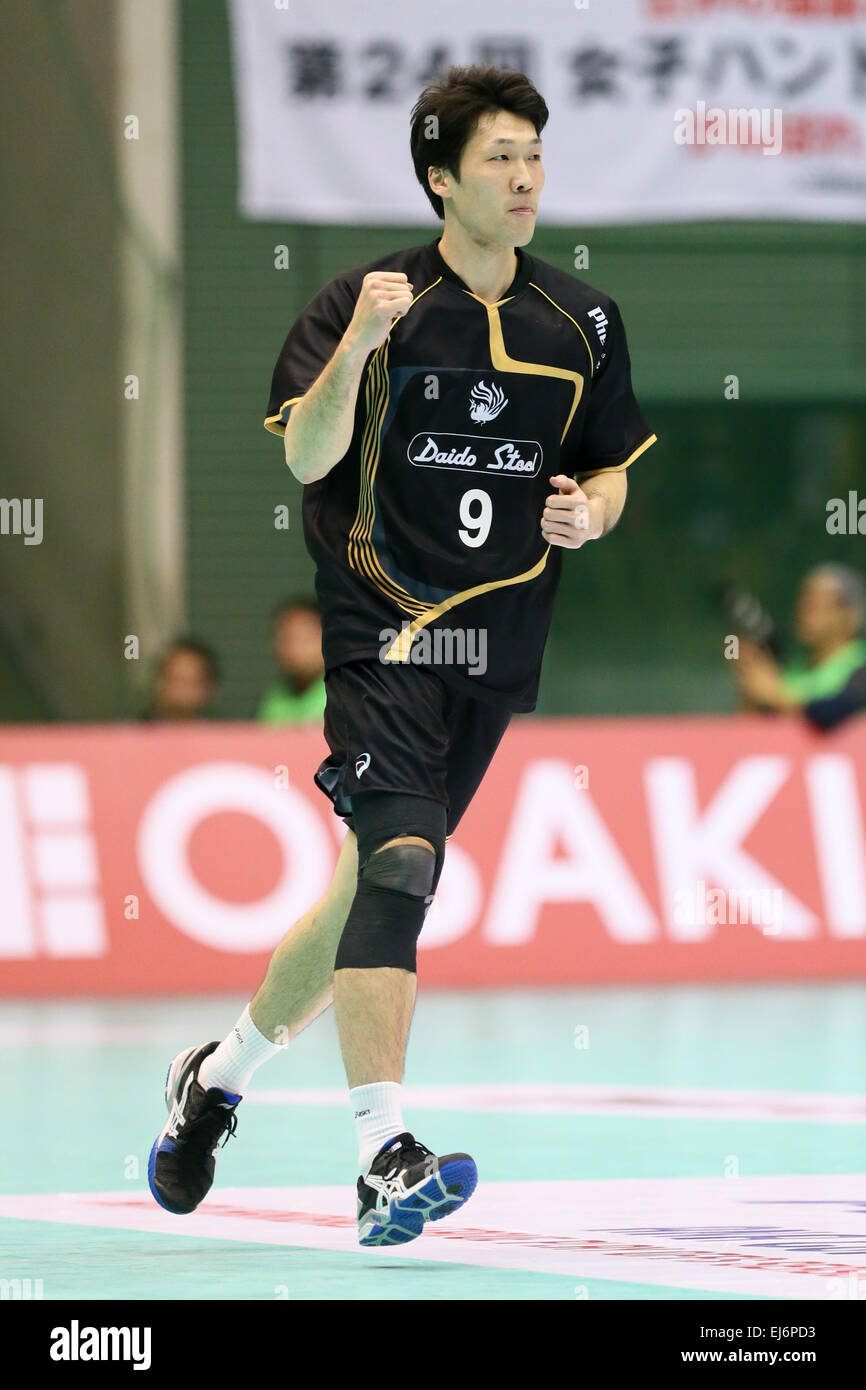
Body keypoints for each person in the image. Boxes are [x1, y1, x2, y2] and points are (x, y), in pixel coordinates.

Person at [148, 65, 656, 1245]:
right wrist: (360, 346)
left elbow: (612, 462)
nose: (523, 175)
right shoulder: (358, 302)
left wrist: (595, 509)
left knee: (355, 901)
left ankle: (212, 1082)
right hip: (383, 634)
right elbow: (305, 458)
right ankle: (382, 1152)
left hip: (495, 651)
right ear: (440, 178)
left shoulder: (577, 321)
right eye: (496, 157)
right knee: (402, 868)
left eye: (533, 153)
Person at [734, 565, 866, 731]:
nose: (805, 611)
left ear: (849, 616)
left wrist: (777, 697)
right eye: (804, 601)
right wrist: (751, 685)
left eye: (819, 603)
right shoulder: (793, 671)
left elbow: (835, 711)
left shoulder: (860, 665)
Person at [255, 597, 326, 725]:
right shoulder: (274, 698)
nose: (293, 648)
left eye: (303, 637)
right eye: (285, 638)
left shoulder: (349, 695)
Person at [139, 638, 220, 722]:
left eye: (193, 682)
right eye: (177, 680)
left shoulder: (222, 732)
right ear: (159, 682)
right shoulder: (133, 731)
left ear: (209, 688)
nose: (184, 689)